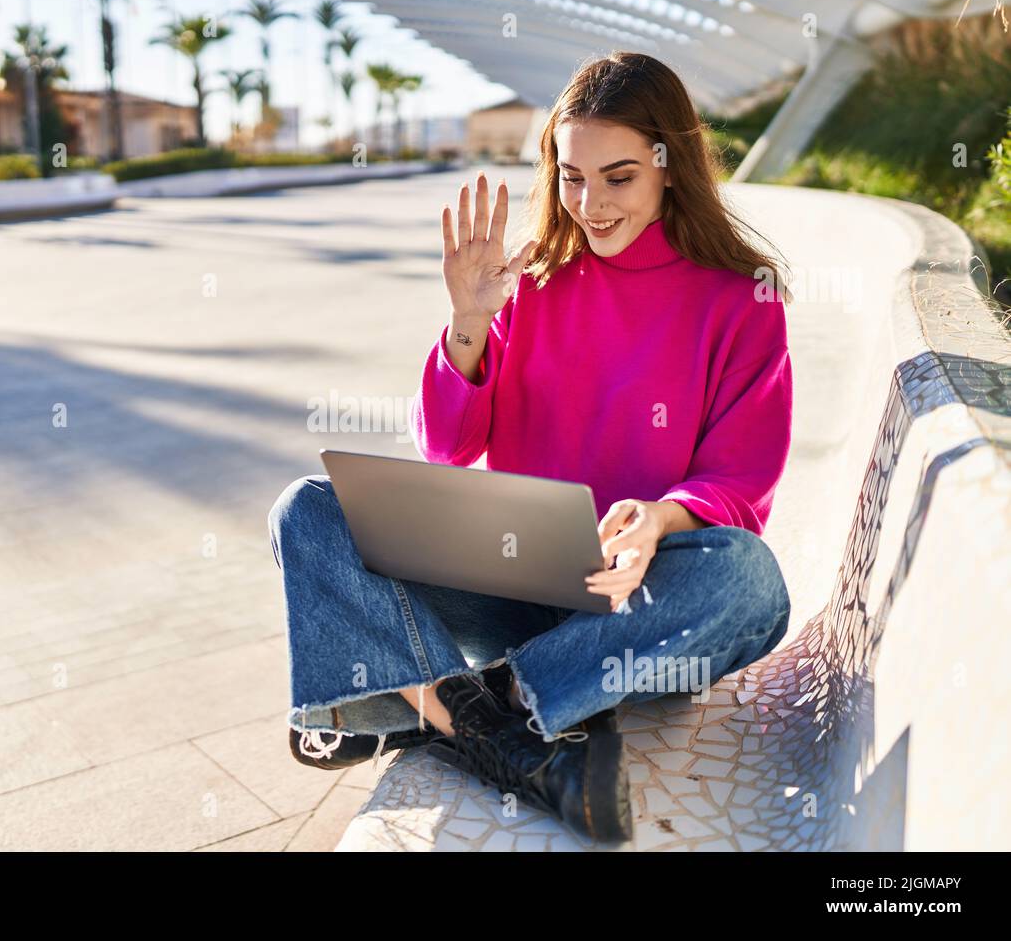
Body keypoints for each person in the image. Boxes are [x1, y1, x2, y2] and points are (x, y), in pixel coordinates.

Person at [266, 52, 795, 844]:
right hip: (508, 583)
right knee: (310, 509)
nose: (591, 203)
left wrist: (663, 519)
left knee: (748, 580)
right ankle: (486, 723)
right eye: (572, 177)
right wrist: (469, 321)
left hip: (635, 598)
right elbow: (448, 446)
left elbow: (743, 479)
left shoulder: (740, 296)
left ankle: (449, 707)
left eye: (618, 177)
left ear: (670, 166)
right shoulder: (534, 283)